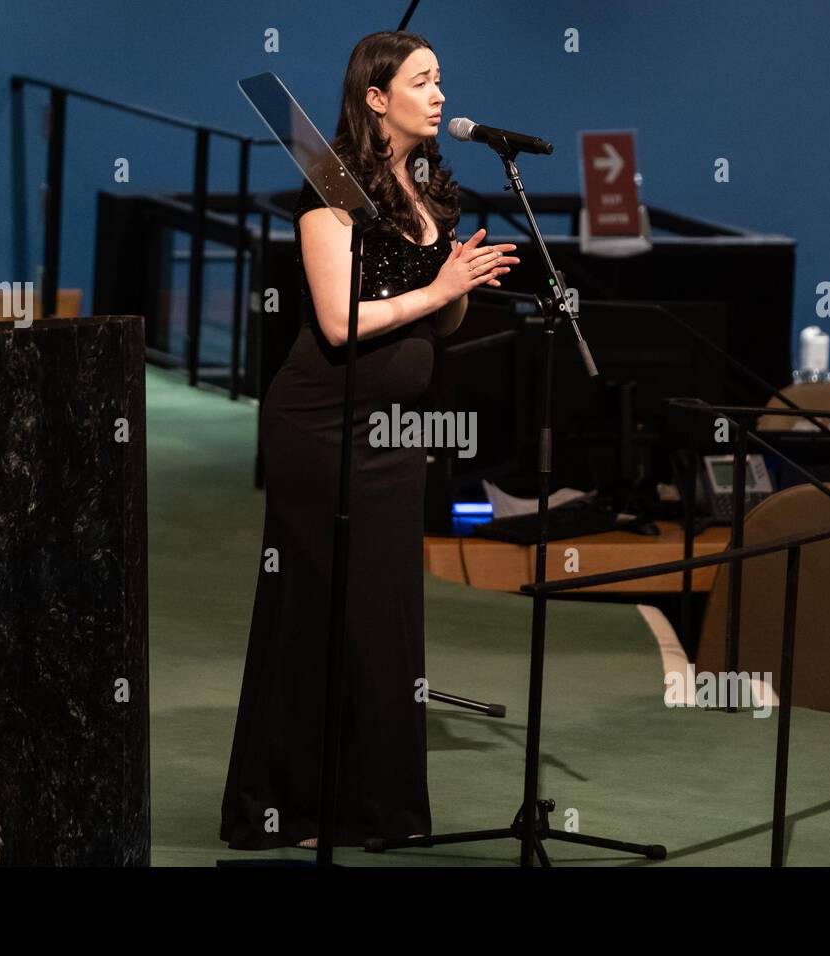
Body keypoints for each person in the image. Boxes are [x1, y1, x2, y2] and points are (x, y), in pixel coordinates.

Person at [219, 30, 519, 850]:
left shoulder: (426, 194)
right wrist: (442, 289)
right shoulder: (329, 191)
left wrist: (461, 283)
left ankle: (374, 810)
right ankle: (283, 806)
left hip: (393, 435)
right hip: (321, 426)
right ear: (376, 97)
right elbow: (340, 322)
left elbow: (437, 319)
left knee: (384, 617)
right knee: (313, 609)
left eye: (442, 79)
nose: (440, 94)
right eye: (423, 81)